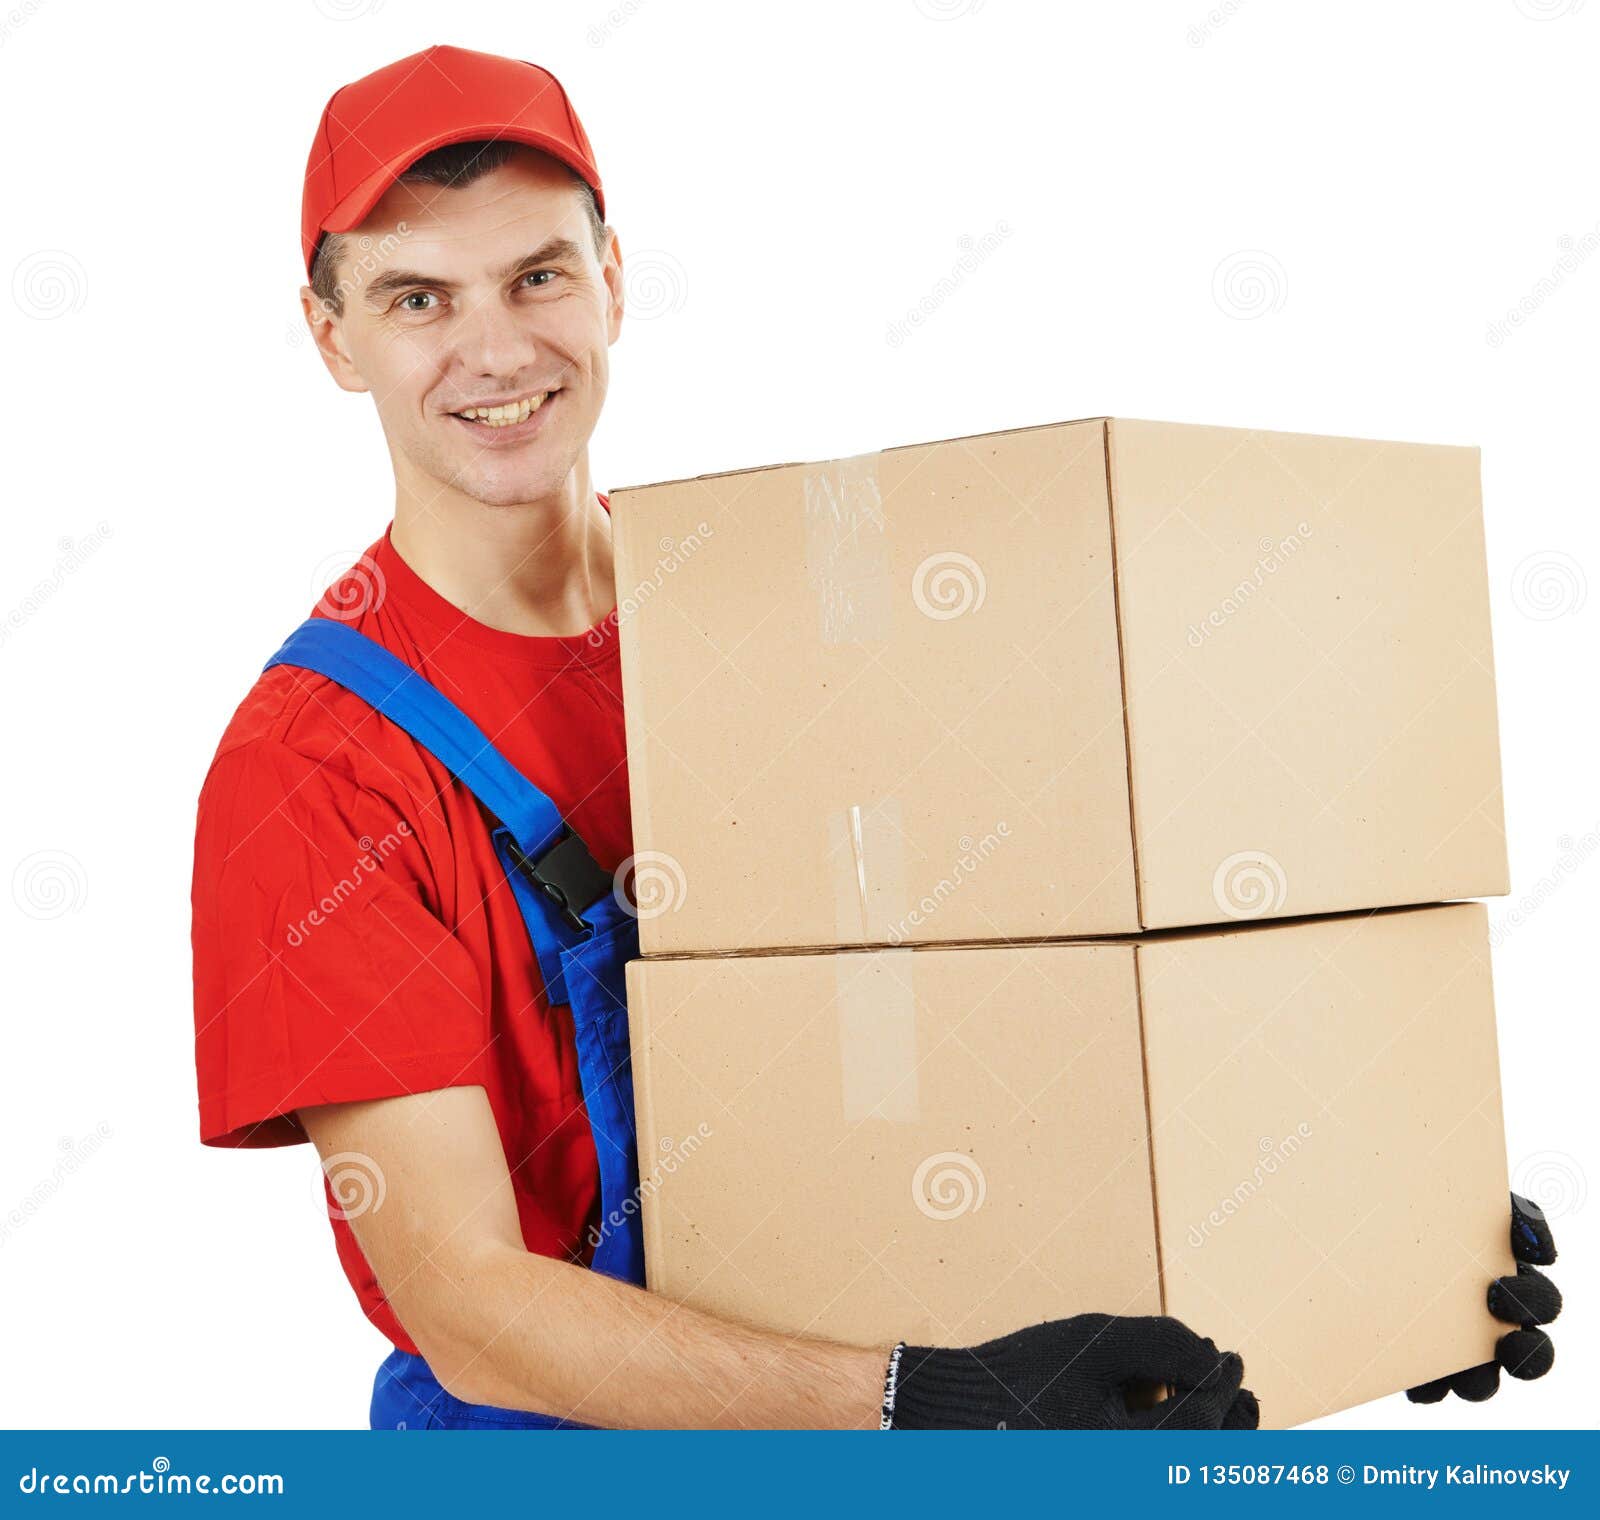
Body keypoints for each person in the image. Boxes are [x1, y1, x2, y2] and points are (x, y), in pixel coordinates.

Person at [190, 45, 1551, 1431]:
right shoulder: (313, 771)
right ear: (332, 336)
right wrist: (925, 1399)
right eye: (419, 298)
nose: (495, 349)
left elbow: (1000, 1015)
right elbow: (472, 1313)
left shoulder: (783, 630)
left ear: (612, 281)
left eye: (538, 274)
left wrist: (1352, 1262)